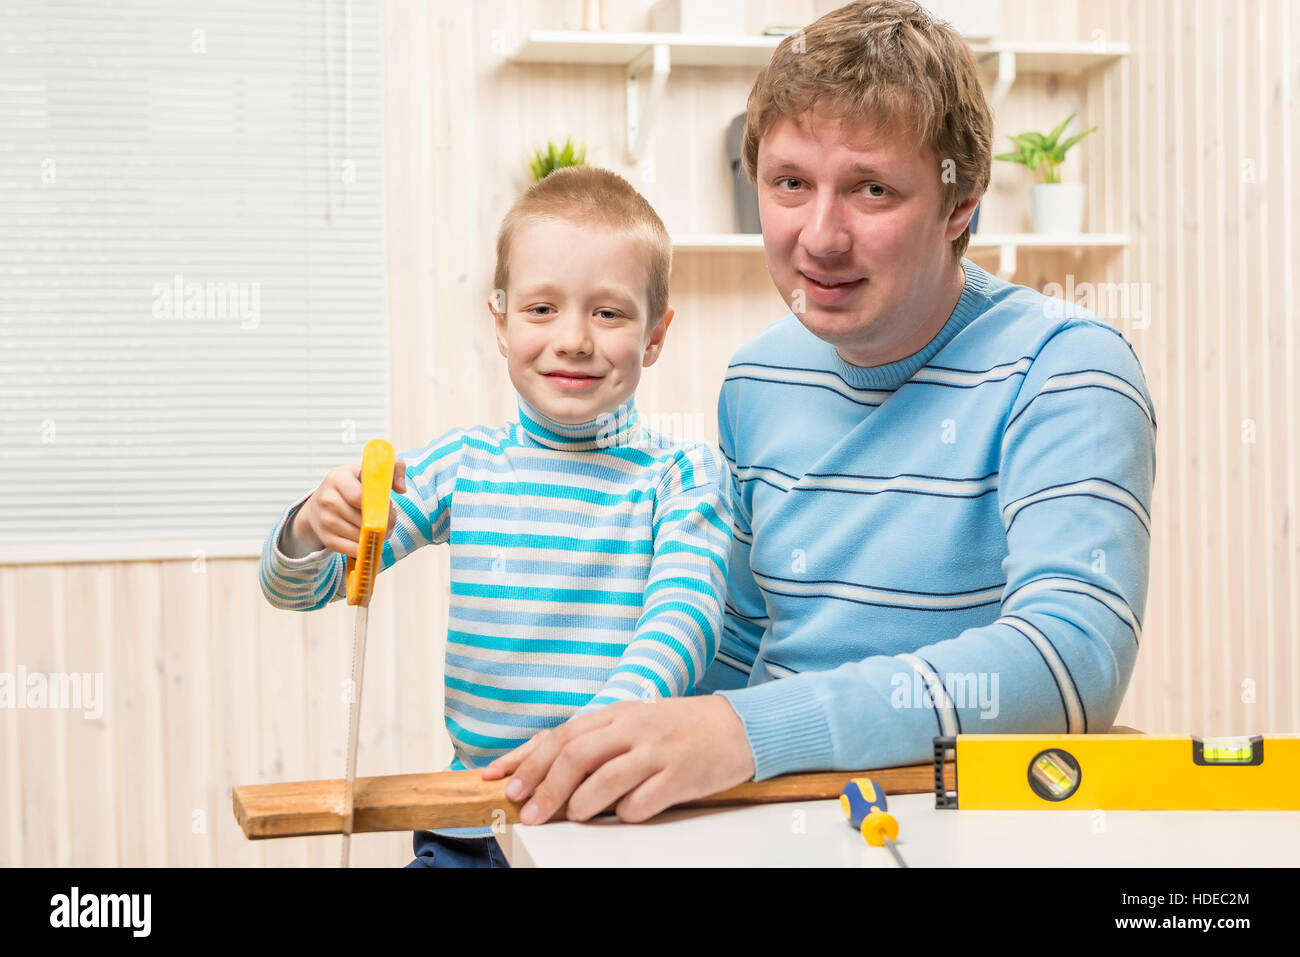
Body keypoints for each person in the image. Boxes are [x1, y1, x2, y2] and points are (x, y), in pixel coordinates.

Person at [483, 0, 1156, 831]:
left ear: (960, 206)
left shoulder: (1068, 366)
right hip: (772, 817)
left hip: (966, 827)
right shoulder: (757, 379)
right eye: (790, 185)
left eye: (872, 189)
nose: (820, 238)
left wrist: (750, 730)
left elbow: (1070, 662)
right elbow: (734, 644)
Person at [258, 165, 732, 866]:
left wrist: (580, 754)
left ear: (656, 334)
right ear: (502, 324)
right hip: (470, 823)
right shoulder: (462, 466)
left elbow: (681, 631)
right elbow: (303, 587)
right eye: (542, 309)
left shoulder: (682, 478)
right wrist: (310, 526)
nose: (573, 338)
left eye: (608, 312)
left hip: (612, 819)